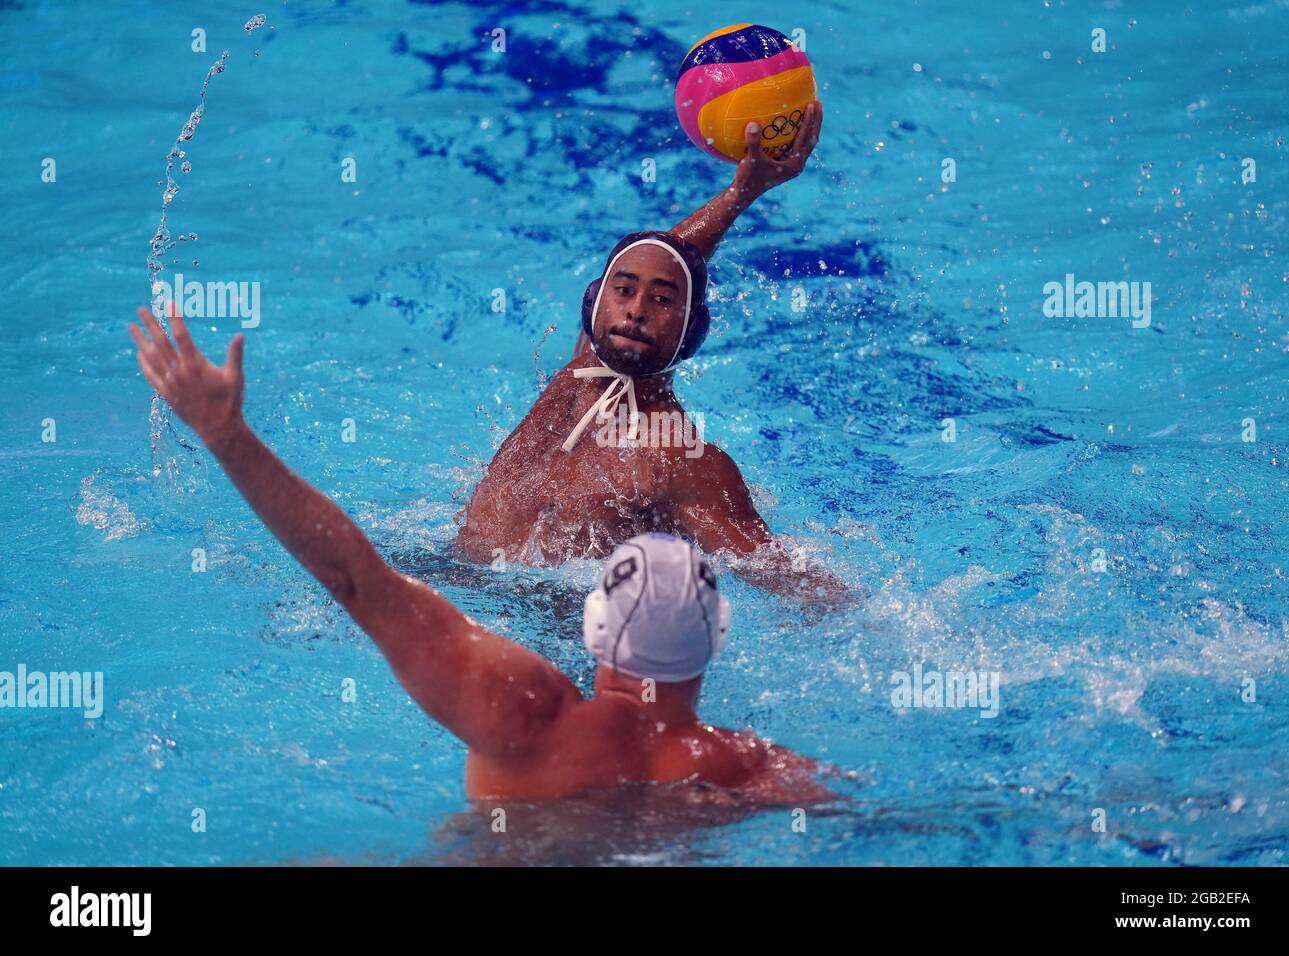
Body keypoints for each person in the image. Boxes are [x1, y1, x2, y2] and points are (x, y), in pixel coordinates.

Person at [127, 307, 833, 804]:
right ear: (717, 636)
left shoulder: (522, 715)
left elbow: (354, 580)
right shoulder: (744, 769)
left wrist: (227, 435)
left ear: (591, 627)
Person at [453, 102, 844, 602]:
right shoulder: (582, 371)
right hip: (453, 584)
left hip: (554, 644)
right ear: (594, 307)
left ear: (692, 331)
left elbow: (790, 577)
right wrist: (741, 193)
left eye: (662, 301)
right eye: (623, 292)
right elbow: (663, 255)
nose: (636, 310)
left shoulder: (681, 460)